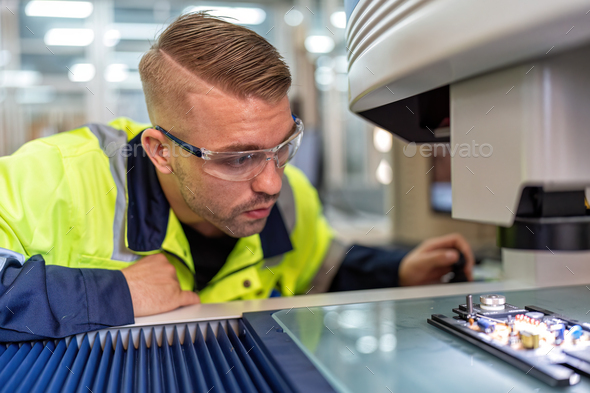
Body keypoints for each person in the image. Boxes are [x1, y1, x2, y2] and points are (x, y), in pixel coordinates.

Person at [0, 12, 474, 342]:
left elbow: (319, 269)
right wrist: (110, 295)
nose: (271, 182)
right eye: (236, 159)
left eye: (283, 146)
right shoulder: (51, 178)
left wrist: (397, 270)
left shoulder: (290, 200)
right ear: (161, 151)